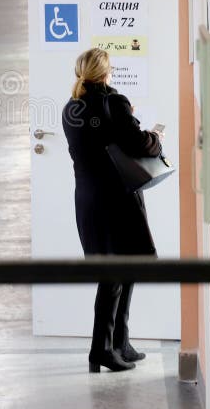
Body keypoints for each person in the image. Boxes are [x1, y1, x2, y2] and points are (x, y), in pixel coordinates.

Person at [61, 48, 163, 373]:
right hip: (116, 198)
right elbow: (137, 143)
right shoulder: (113, 102)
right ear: (105, 72)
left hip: (88, 198)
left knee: (123, 267)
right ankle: (100, 350)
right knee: (114, 275)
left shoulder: (71, 108)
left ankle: (120, 342)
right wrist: (155, 137)